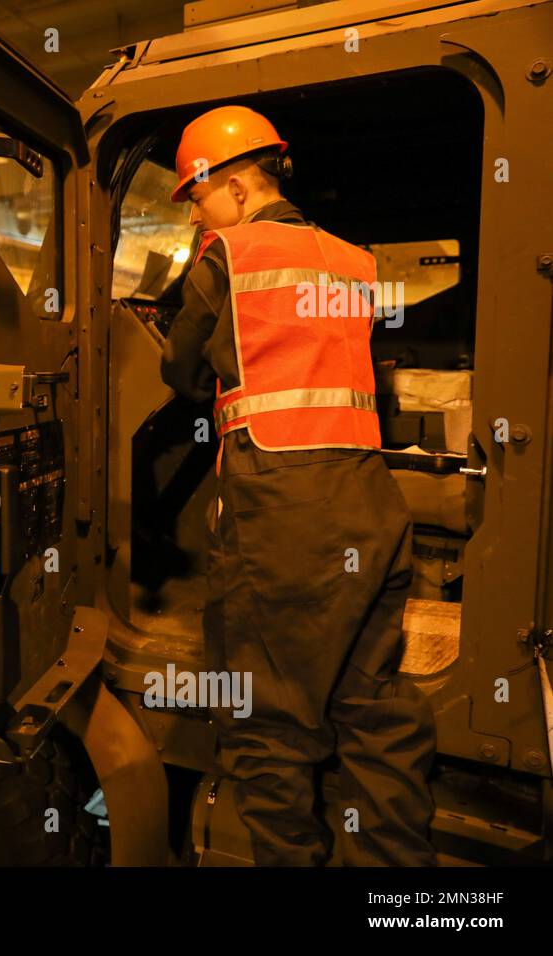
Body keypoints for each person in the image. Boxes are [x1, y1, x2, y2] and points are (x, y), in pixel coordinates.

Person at [160, 105, 437, 866]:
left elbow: (180, 371)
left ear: (238, 186)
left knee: (269, 724)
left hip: (281, 506)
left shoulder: (228, 255)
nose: (198, 217)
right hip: (370, 503)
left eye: (200, 198)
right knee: (373, 711)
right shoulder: (354, 260)